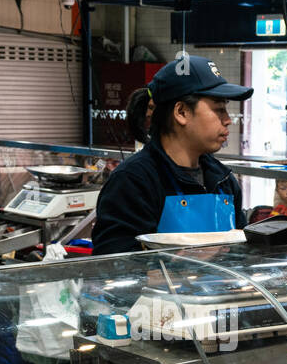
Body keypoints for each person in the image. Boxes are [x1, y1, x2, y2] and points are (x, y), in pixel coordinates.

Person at [91, 55, 251, 254]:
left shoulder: (223, 179)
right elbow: (111, 264)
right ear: (181, 112)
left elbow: (241, 253)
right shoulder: (133, 181)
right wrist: (180, 266)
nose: (228, 120)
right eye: (219, 109)